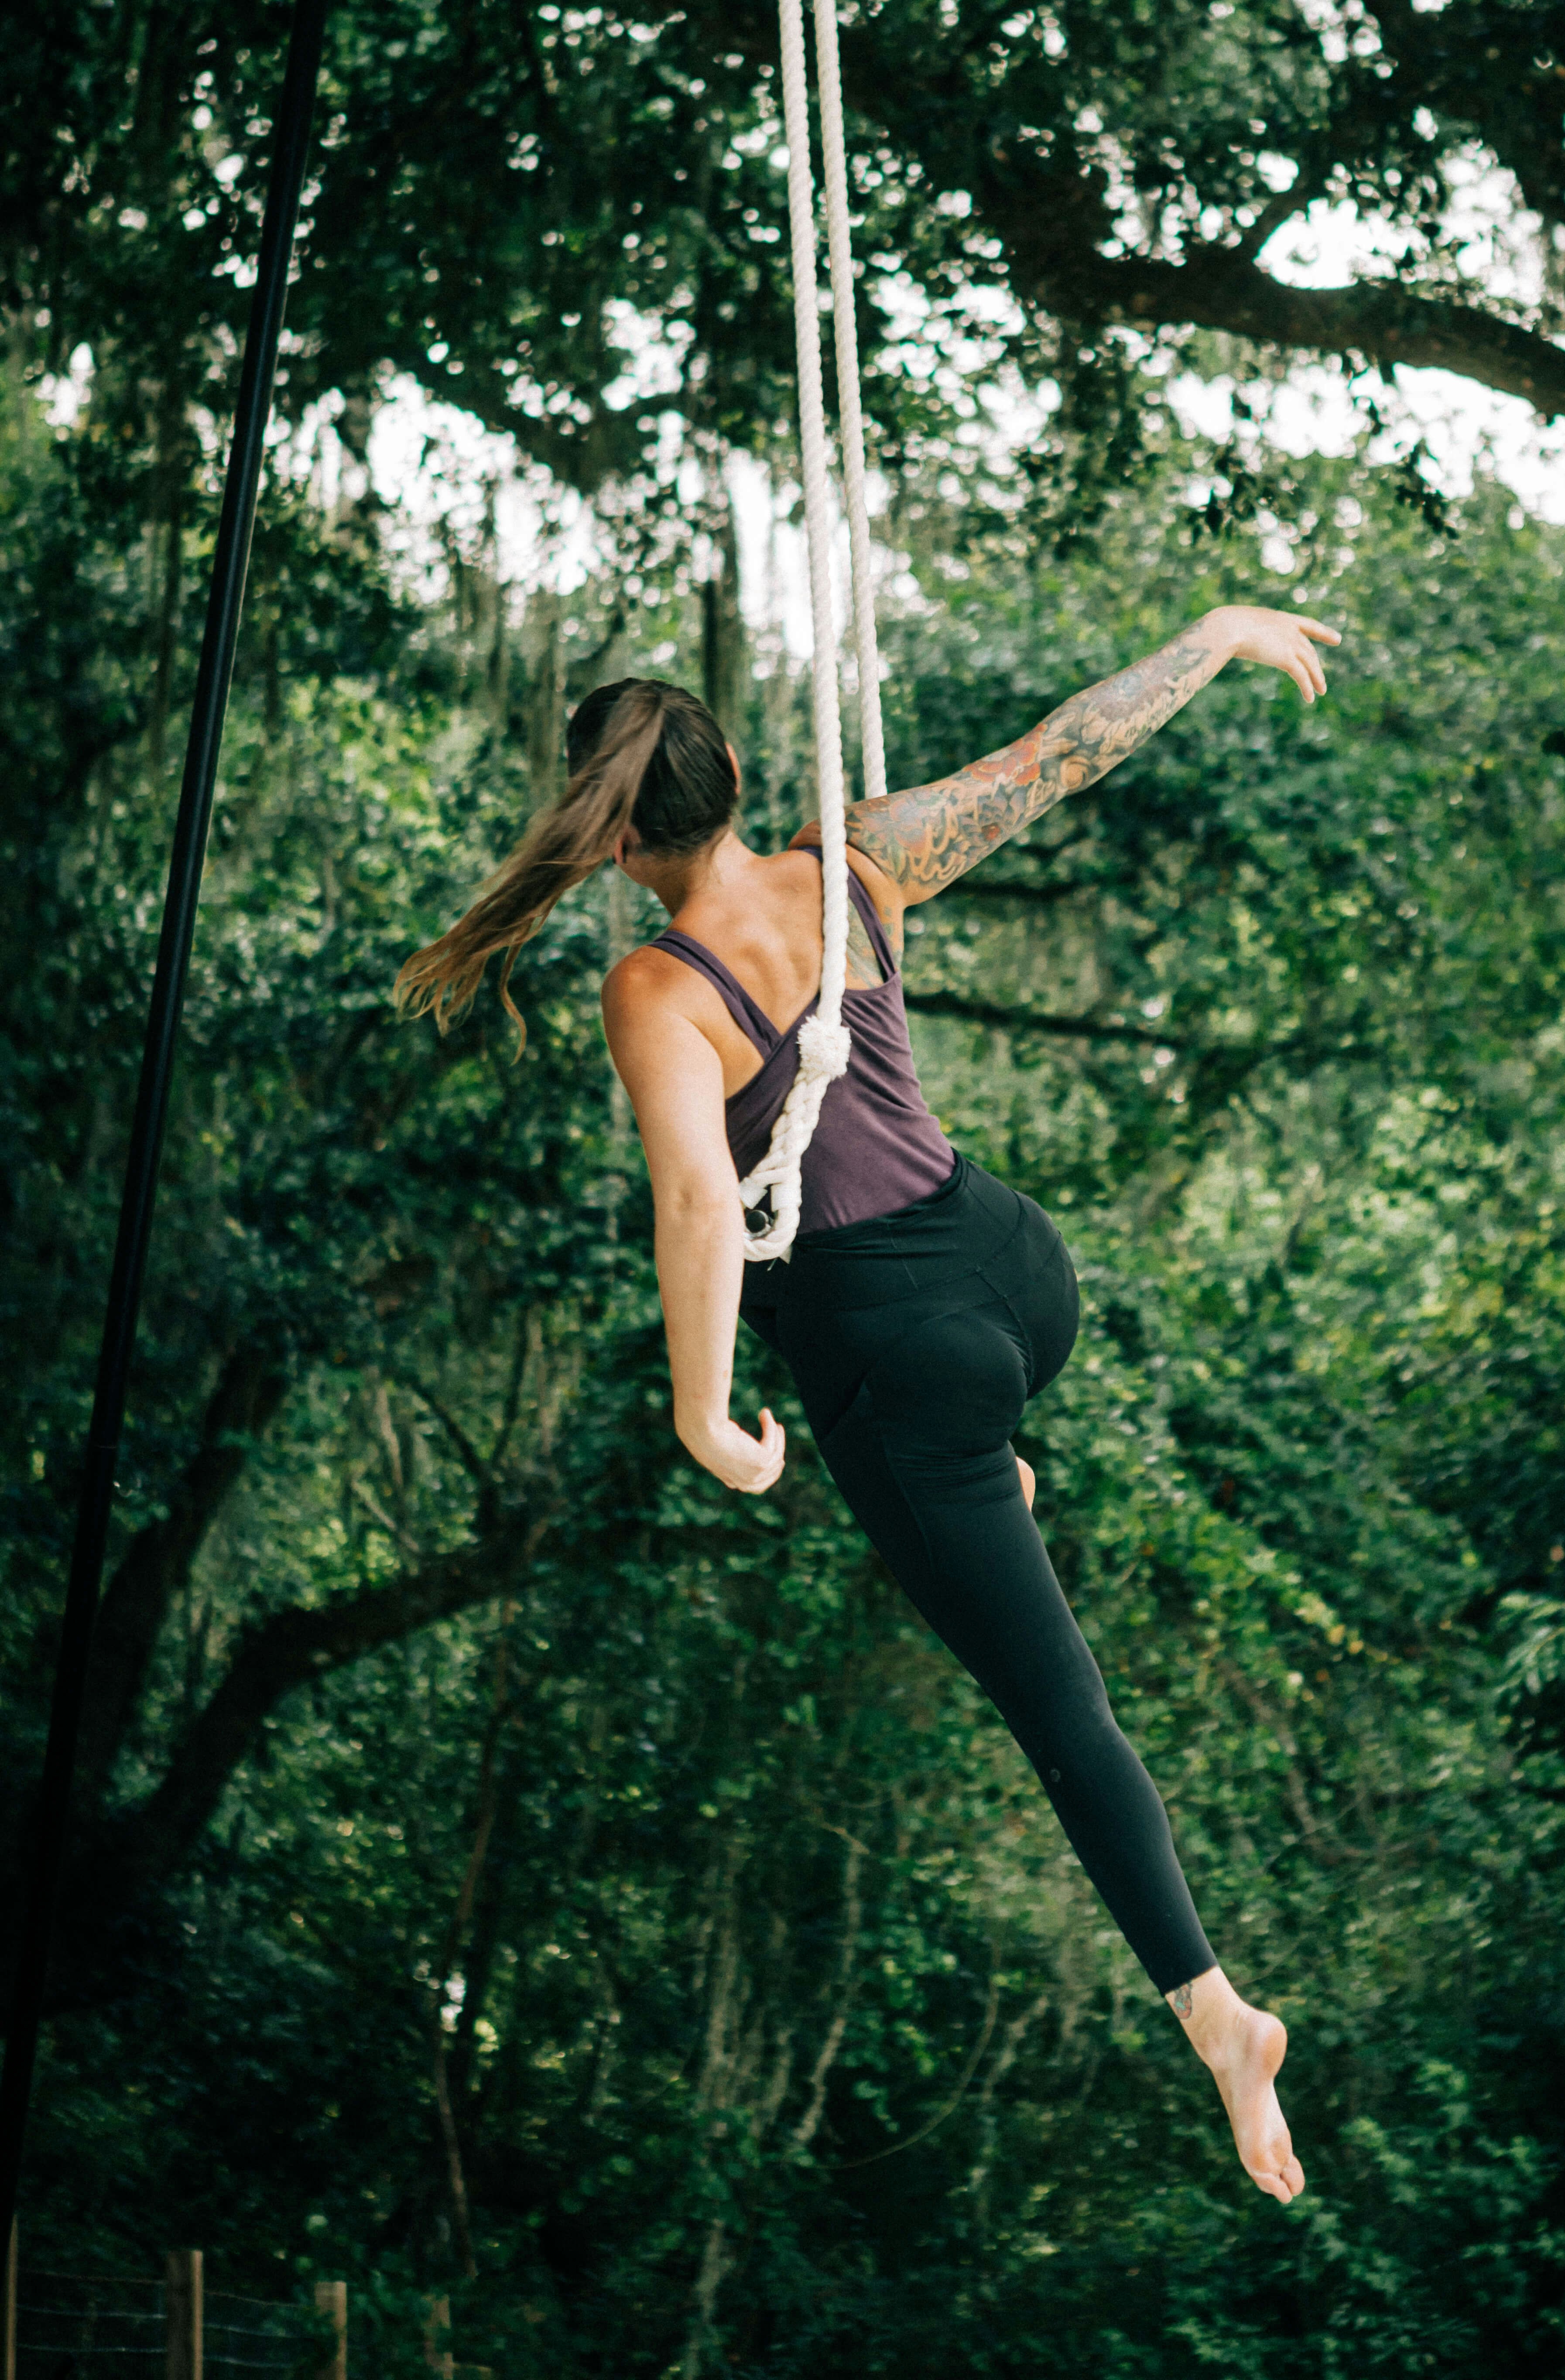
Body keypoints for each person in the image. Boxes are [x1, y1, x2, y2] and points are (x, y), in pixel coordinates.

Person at [397, 602, 1338, 2202]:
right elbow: (1057, 755)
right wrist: (1215, 635)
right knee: (975, 1473)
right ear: (740, 777)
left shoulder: (656, 983)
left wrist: (705, 1412)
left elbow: (700, 1202)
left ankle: (1219, 2018)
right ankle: (992, 1478)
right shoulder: (852, 863)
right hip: (1023, 1277)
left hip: (902, 1356)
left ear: (615, 838)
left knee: (1061, 1713)